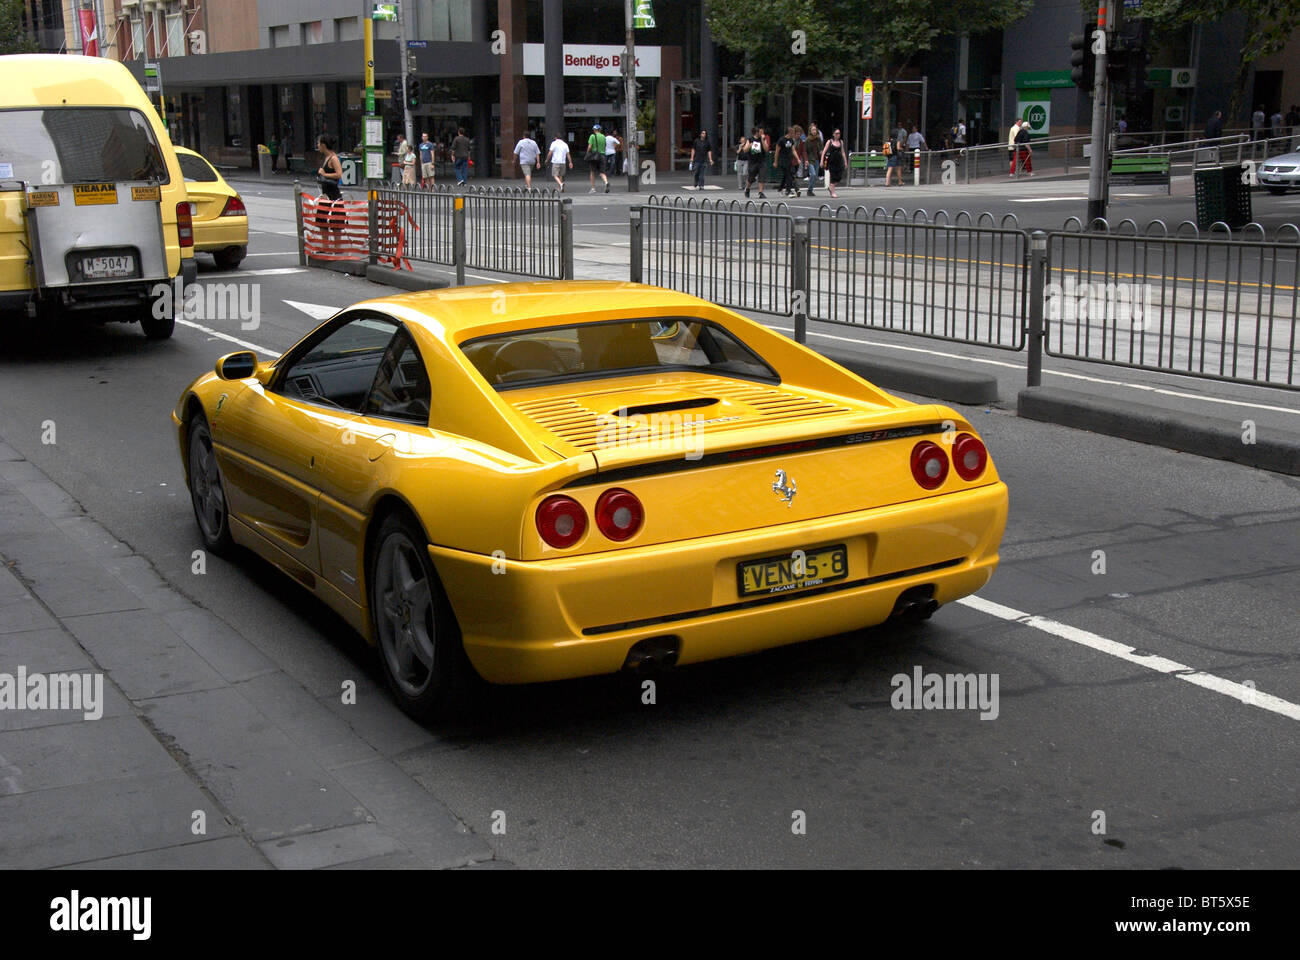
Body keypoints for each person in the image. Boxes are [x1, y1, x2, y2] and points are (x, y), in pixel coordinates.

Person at [314, 134, 343, 252]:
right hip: (325, 195)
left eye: (318, 143)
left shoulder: (333, 158)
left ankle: (337, 247)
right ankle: (325, 246)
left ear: (323, 145)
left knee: (336, 221)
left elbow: (339, 174)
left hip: (333, 195)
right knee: (322, 220)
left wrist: (325, 175)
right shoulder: (326, 158)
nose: (317, 146)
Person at [820, 128, 846, 199]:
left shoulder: (841, 142)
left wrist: (845, 161)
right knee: (833, 176)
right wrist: (822, 161)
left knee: (839, 176)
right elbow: (824, 151)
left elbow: (843, 152)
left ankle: (830, 187)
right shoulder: (830, 142)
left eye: (839, 133)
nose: (838, 135)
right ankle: (833, 192)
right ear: (833, 134)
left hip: (839, 161)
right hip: (832, 161)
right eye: (836, 133)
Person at [742, 127, 766, 198]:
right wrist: (750, 145)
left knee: (762, 176)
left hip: (761, 160)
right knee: (751, 177)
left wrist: (762, 140)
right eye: (760, 132)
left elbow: (766, 149)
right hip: (753, 161)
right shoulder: (750, 140)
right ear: (757, 132)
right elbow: (745, 150)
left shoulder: (763, 140)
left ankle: (760, 192)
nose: (762, 133)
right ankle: (747, 188)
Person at [586, 123, 609, 193]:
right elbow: (605, 146)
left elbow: (590, 146)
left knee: (592, 172)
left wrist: (587, 153)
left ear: (594, 130)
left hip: (594, 156)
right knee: (602, 172)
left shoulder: (592, 136)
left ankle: (593, 188)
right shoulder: (603, 137)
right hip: (602, 155)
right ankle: (606, 182)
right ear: (600, 130)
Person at [775, 127, 797, 196]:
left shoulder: (791, 140)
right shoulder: (781, 140)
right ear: (789, 132)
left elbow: (793, 150)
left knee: (786, 175)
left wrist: (797, 158)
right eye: (793, 132)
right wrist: (775, 161)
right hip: (783, 160)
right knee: (788, 175)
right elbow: (777, 151)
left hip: (789, 159)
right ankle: (789, 190)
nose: (794, 134)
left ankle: (780, 188)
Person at [804, 123, 823, 197]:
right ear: (810, 131)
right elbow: (805, 151)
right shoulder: (808, 140)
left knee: (815, 176)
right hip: (810, 159)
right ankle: (809, 190)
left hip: (817, 159)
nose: (814, 131)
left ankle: (811, 190)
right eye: (813, 130)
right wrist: (806, 160)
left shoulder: (818, 139)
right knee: (813, 174)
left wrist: (821, 153)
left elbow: (821, 149)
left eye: (815, 130)